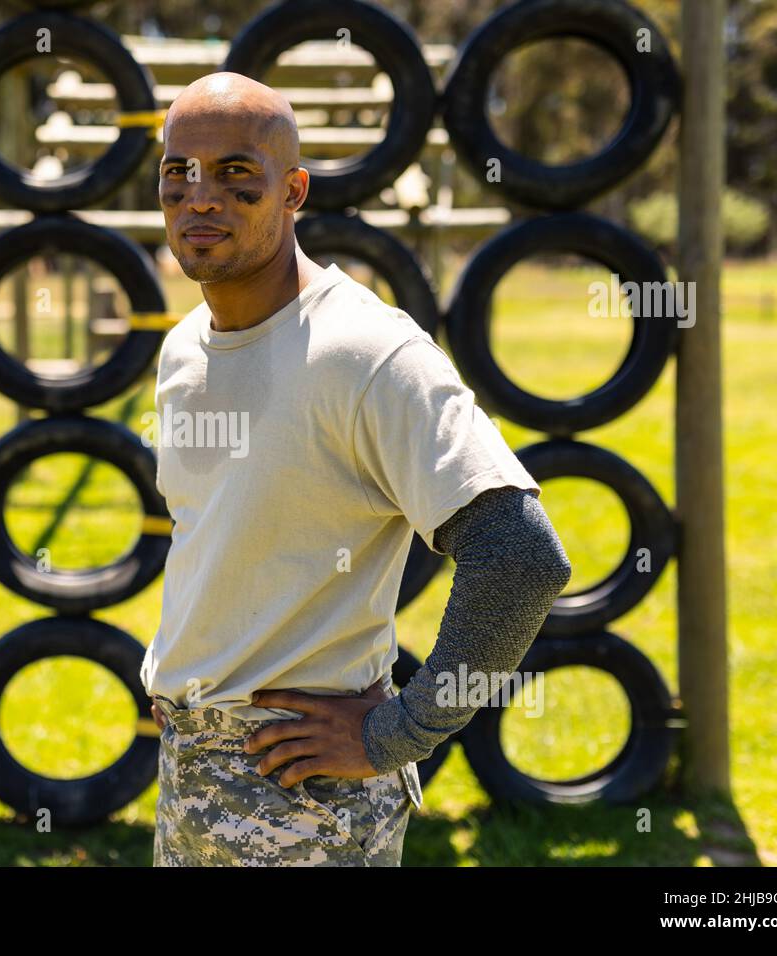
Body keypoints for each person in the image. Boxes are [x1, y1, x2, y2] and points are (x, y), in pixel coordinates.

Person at [141, 72, 572, 866]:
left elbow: (520, 556)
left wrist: (398, 733)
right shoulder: (180, 350)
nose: (200, 197)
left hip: (305, 794)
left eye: (237, 175)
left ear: (293, 190)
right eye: (179, 172)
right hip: (186, 770)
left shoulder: (368, 353)